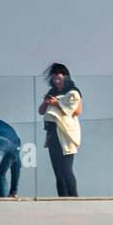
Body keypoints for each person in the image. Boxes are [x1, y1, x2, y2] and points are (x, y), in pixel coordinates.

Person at [38, 63, 81, 197]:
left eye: (59, 78)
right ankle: (62, 198)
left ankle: (74, 197)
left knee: (66, 168)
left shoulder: (73, 92)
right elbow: (41, 111)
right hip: (52, 134)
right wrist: (46, 102)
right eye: (55, 78)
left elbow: (77, 110)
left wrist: (57, 103)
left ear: (65, 78)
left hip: (65, 133)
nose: (57, 81)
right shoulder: (52, 92)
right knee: (57, 170)